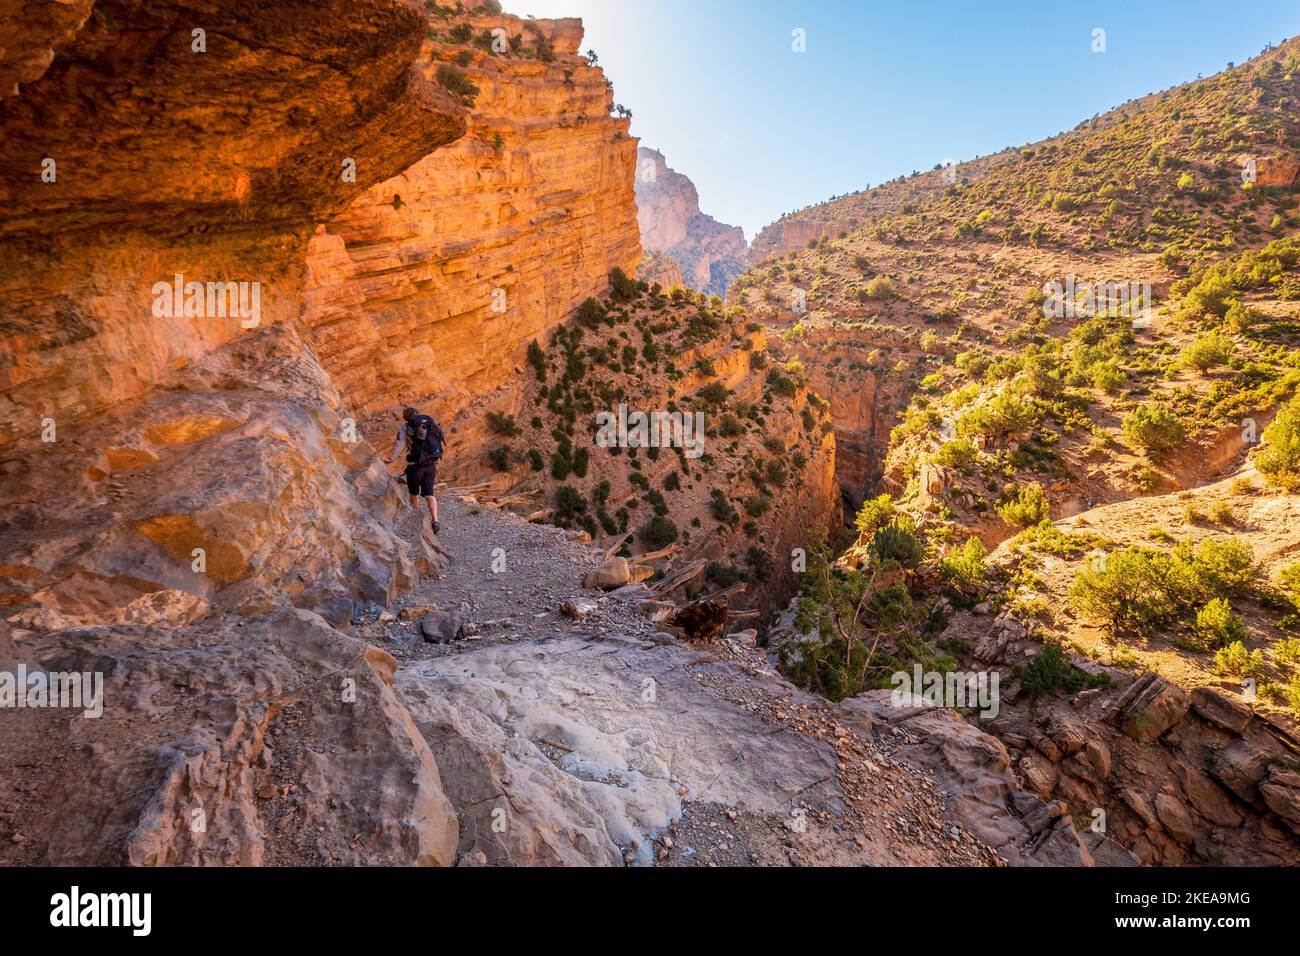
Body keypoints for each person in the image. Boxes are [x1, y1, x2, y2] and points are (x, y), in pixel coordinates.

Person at [385, 406, 446, 533]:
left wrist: (391, 459)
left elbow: (400, 443)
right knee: (429, 494)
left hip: (415, 466)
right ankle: (435, 520)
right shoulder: (429, 422)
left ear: (405, 417)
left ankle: (418, 521)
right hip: (431, 464)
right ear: (417, 414)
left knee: (414, 493)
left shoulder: (406, 427)